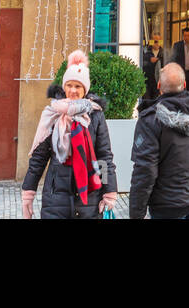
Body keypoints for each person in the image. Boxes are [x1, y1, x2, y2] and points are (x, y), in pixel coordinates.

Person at [21, 50, 118, 219]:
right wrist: (28, 193)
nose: (73, 90)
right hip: (56, 197)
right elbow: (39, 157)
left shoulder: (96, 116)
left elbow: (103, 156)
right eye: (69, 85)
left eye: (78, 86)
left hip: (89, 197)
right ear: (64, 86)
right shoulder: (52, 114)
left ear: (85, 89)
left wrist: (109, 192)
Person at [129, 63, 189, 219]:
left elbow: (145, 170)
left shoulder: (150, 119)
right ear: (185, 85)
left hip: (166, 206)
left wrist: (136, 212)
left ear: (159, 86)